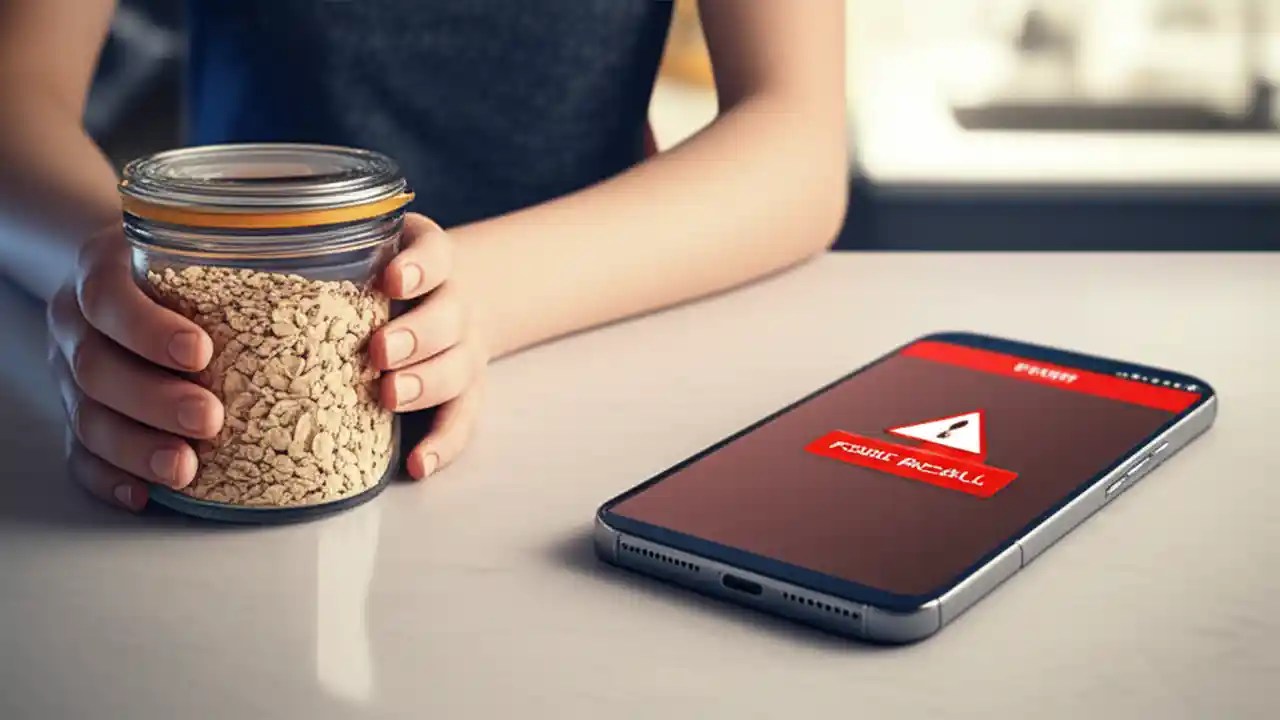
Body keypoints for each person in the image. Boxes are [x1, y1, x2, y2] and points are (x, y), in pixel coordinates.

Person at [0, 1, 848, 511]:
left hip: (596, 365)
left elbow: (797, 144)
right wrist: (115, 275)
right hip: (231, 376)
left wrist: (479, 297)